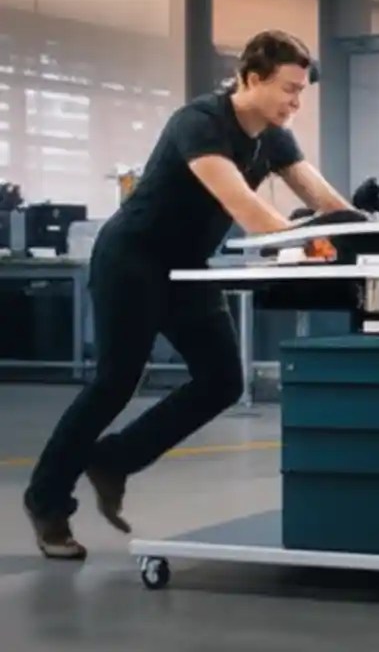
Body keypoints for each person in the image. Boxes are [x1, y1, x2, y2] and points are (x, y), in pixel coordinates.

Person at [24, 30, 355, 559]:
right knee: (115, 382)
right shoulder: (200, 122)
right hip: (131, 258)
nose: (296, 102)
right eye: (289, 89)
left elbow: (326, 201)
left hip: (185, 264)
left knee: (223, 380)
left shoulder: (274, 137)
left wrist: (374, 232)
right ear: (251, 79)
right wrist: (308, 246)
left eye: (301, 92)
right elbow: (245, 207)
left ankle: (114, 459)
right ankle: (47, 502)